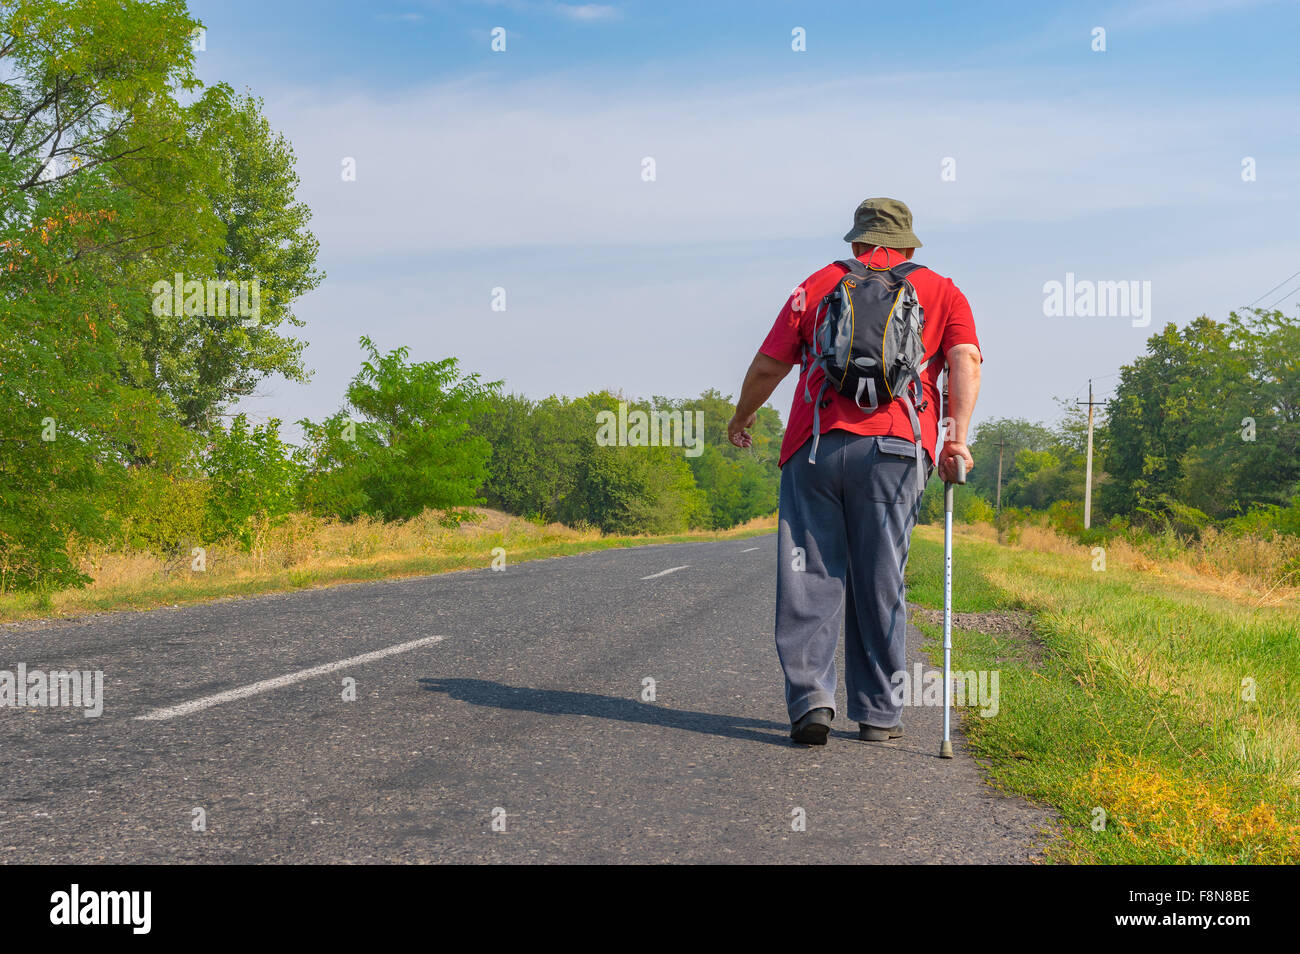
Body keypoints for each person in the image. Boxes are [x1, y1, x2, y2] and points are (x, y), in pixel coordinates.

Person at [726, 197, 982, 745]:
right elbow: (965, 359)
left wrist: (742, 416)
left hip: (816, 447)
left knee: (809, 575)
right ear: (909, 244)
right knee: (881, 575)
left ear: (856, 243)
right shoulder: (942, 290)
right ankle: (878, 715)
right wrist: (956, 435)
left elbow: (770, 363)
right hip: (897, 449)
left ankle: (813, 702)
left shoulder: (816, 285)